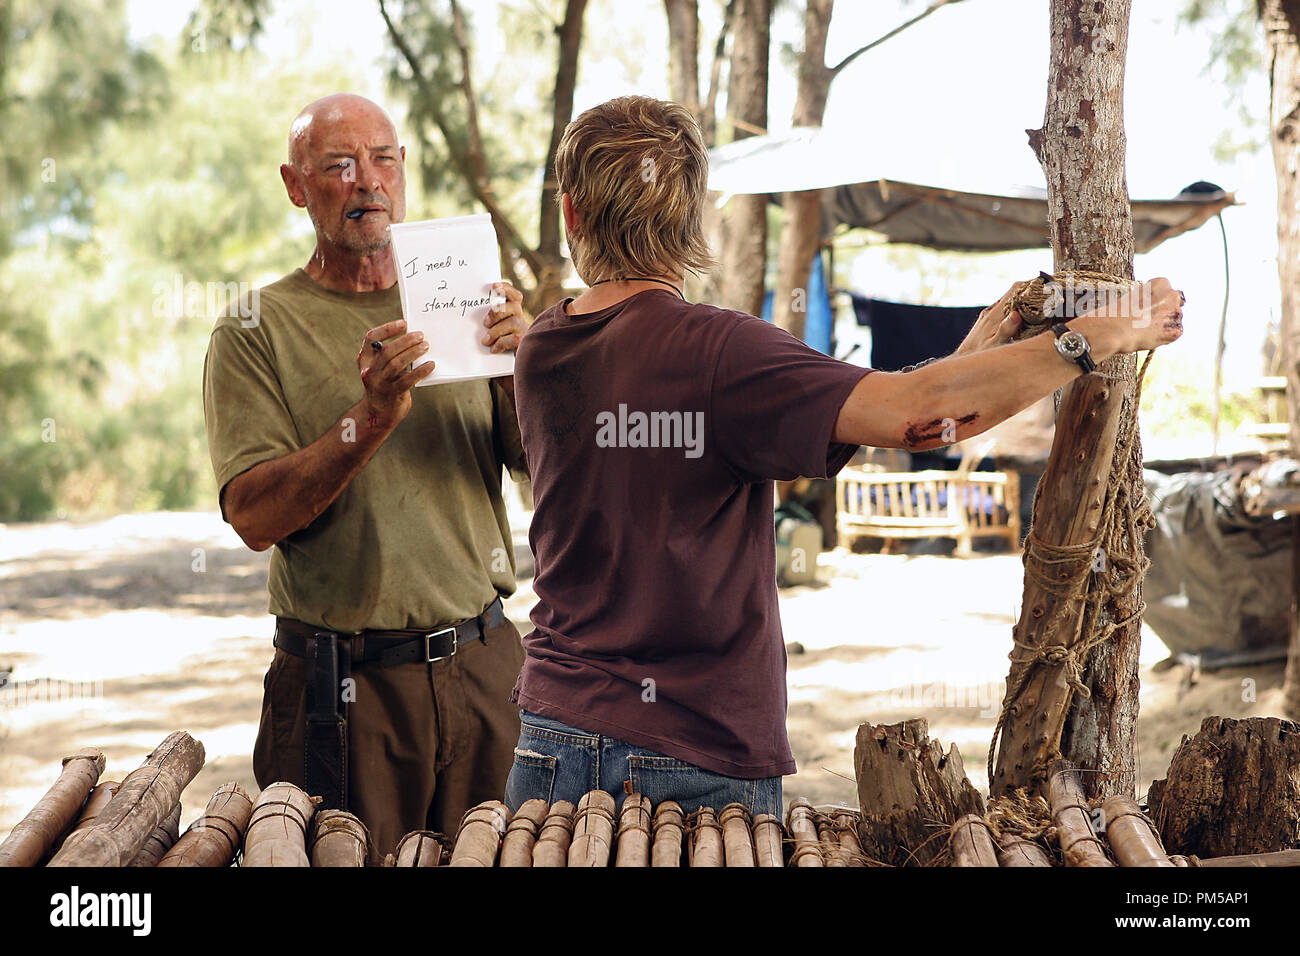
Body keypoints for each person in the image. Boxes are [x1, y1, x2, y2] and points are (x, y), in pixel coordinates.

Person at [504, 95, 1184, 818]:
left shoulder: (541, 348)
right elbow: (920, 413)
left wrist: (976, 352)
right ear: (691, 218)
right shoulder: (718, 351)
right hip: (682, 757)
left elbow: (909, 415)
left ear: (572, 214)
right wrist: (1098, 336)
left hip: (551, 738)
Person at [202, 93, 530, 861]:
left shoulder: (463, 299)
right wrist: (372, 415)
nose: (366, 183)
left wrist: (523, 368)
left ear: (404, 170)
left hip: (487, 670)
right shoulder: (255, 328)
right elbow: (253, 516)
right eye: (338, 167)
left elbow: (538, 463)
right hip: (341, 693)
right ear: (295, 184)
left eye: (382, 160)